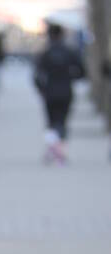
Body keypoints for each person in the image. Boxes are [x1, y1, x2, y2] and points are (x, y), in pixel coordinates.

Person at [33, 22, 85, 164]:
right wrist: (70, 77)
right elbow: (81, 72)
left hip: (49, 91)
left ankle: (52, 149)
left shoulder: (45, 53)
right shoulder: (70, 52)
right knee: (62, 121)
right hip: (66, 90)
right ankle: (60, 152)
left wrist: (41, 89)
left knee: (50, 121)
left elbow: (36, 75)